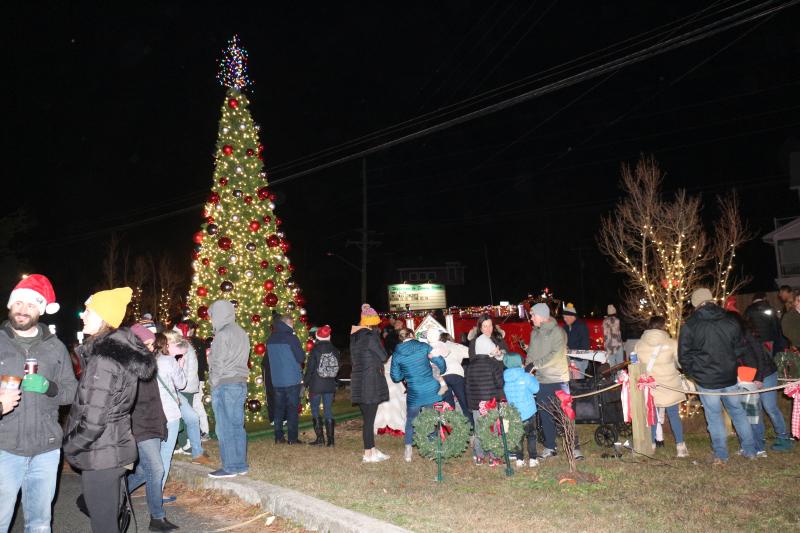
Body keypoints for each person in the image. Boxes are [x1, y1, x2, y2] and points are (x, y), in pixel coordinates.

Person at [63, 287, 155, 533]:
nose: (83, 315)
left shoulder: (104, 360)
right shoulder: (115, 354)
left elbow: (93, 419)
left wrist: (70, 445)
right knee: (108, 520)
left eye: (89, 311)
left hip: (101, 452)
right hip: (112, 448)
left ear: (104, 317)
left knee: (103, 525)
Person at [0, 274, 78, 533]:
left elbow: (71, 392)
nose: (23, 310)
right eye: (18, 303)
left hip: (46, 450)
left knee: (40, 523)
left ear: (41, 310)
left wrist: (49, 387)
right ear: (10, 305)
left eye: (31, 305)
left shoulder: (55, 348)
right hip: (4, 448)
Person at [678, 288, 757, 464]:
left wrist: (693, 375)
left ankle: (721, 454)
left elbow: (684, 356)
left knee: (714, 416)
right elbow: (740, 347)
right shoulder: (730, 319)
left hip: (706, 380)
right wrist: (730, 361)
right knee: (738, 412)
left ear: (695, 304)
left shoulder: (690, 325)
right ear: (712, 300)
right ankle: (750, 450)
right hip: (729, 376)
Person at [127, 324, 178, 531]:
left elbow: (154, 398)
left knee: (143, 471)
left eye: (151, 344)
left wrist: (161, 422)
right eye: (147, 344)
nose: (151, 348)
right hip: (139, 425)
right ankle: (157, 517)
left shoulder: (148, 363)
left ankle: (109, 495)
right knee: (156, 468)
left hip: (153, 423)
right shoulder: (127, 366)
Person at [525, 303, 584, 461]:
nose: (531, 318)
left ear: (542, 316)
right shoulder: (534, 334)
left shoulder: (558, 332)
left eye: (533, 315)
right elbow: (531, 354)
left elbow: (556, 355)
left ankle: (574, 447)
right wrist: (526, 368)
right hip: (542, 380)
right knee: (545, 415)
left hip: (558, 379)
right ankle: (550, 447)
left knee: (564, 413)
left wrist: (536, 365)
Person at [731, 313, 794, 453]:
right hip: (749, 377)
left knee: (769, 406)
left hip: (766, 374)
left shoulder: (747, 335)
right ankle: (759, 441)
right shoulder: (732, 338)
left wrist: (759, 378)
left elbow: (760, 356)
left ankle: (783, 437)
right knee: (755, 410)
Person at [634, 316, 688, 458]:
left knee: (652, 416)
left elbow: (635, 364)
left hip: (651, 386)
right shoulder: (672, 343)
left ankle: (651, 445)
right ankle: (680, 447)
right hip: (670, 385)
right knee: (674, 416)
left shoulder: (639, 344)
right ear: (663, 326)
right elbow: (680, 363)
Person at [207, 300, 250, 478]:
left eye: (211, 316)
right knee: (237, 425)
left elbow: (218, 362)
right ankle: (240, 465)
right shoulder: (241, 332)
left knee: (225, 427)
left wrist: (213, 381)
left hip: (225, 383)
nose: (210, 320)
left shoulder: (222, 334)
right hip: (240, 382)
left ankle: (230, 467)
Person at [391, 328, 446, 462]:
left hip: (414, 391)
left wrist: (407, 372)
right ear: (412, 335)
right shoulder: (424, 346)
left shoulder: (397, 354)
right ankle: (431, 447)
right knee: (431, 418)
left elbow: (396, 377)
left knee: (411, 420)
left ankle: (408, 449)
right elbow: (442, 366)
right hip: (430, 389)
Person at [350, 304, 391, 462]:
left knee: (368, 418)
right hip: (370, 382)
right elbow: (383, 356)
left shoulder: (355, 336)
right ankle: (368, 453)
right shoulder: (370, 336)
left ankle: (372, 449)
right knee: (369, 420)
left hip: (359, 380)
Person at [466, 315, 506, 465]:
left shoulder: (470, 366)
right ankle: (494, 456)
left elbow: (468, 386)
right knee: (492, 427)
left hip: (476, 401)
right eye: (485, 326)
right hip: (490, 400)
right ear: (480, 328)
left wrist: (470, 404)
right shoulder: (492, 364)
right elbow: (500, 382)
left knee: (478, 427)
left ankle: (479, 456)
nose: (488, 329)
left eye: (490, 325)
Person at [171, 328, 212, 465]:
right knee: (187, 415)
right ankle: (187, 444)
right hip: (186, 385)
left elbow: (186, 369)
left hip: (185, 386)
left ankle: (188, 444)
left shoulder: (183, 347)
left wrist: (180, 384)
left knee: (187, 416)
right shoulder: (185, 345)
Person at [267, 313, 306, 444]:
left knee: (278, 409)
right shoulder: (291, 338)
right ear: (288, 322)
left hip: (277, 380)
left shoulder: (271, 338)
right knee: (292, 409)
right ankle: (292, 438)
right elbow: (301, 358)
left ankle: (278, 437)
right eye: (293, 323)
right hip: (291, 379)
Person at [304, 325, 340, 446]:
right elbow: (337, 367)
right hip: (330, 384)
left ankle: (320, 439)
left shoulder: (315, 350)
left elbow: (310, 369)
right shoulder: (335, 349)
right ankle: (331, 441)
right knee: (328, 411)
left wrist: (305, 383)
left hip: (316, 384)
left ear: (317, 336)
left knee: (315, 410)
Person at [502, 353, 540, 468]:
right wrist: (532, 376)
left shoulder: (506, 380)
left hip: (514, 414)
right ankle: (533, 459)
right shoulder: (526, 377)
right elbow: (536, 389)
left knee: (517, 437)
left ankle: (519, 460)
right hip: (528, 413)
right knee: (531, 436)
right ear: (520, 362)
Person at [178, 320, 210, 440]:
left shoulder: (192, 342)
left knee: (196, 405)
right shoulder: (196, 342)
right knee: (194, 405)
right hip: (195, 378)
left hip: (195, 379)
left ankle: (203, 431)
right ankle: (200, 431)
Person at [438, 332, 473, 427]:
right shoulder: (456, 345)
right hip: (457, 374)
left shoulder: (437, 347)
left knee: (449, 404)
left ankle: (453, 428)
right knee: (463, 401)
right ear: (451, 338)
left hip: (443, 377)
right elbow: (471, 353)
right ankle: (470, 426)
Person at [562, 302, 590, 378]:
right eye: (564, 317)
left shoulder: (581, 327)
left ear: (572, 316)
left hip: (579, 361)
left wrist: (571, 351)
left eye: (566, 317)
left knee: (578, 384)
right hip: (568, 360)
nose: (564, 319)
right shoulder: (565, 327)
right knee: (570, 384)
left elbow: (585, 346)